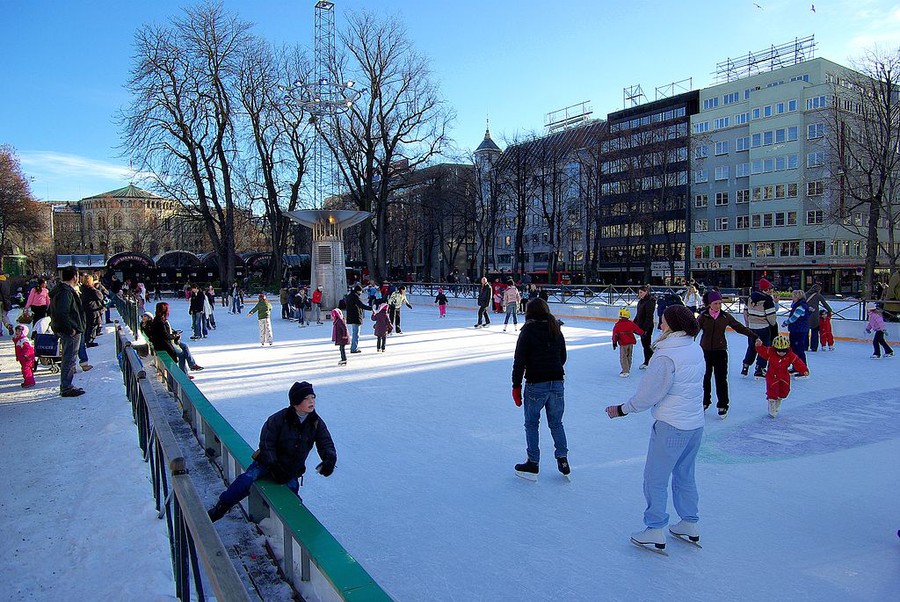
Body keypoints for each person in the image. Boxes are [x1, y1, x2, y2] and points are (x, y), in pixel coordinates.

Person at [605, 305, 705, 554]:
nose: (659, 325)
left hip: (672, 425)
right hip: (695, 424)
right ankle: (689, 523)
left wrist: (622, 409)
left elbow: (648, 395)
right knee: (685, 474)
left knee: (655, 478)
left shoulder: (666, 357)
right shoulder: (694, 347)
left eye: (662, 321)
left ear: (672, 325)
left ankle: (655, 529)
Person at [207, 381, 337, 522]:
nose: (312, 401)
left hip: (290, 470)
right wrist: (274, 466)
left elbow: (326, 443)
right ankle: (221, 507)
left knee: (293, 500)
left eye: (313, 397)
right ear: (296, 401)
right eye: (307, 398)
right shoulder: (279, 419)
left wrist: (329, 460)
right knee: (245, 480)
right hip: (266, 464)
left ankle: (292, 531)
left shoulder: (316, 423)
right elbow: (266, 443)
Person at [511, 298, 569, 481]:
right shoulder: (555, 329)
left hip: (536, 384)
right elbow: (563, 357)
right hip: (557, 383)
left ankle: (533, 463)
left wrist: (516, 386)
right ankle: (563, 459)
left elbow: (519, 361)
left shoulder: (527, 331)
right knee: (556, 424)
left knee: (531, 424)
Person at [698, 290, 758, 418]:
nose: (718, 306)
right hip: (705, 352)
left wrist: (754, 336)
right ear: (709, 304)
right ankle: (704, 401)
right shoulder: (703, 317)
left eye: (720, 303)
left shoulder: (725, 316)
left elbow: (739, 327)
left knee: (721, 379)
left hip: (720, 351)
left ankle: (723, 404)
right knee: (705, 378)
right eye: (715, 303)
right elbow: (694, 331)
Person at [48, 266, 86, 397]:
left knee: (68, 357)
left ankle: (67, 385)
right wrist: (70, 328)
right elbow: (62, 312)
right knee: (69, 358)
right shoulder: (65, 292)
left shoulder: (60, 290)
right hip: (70, 330)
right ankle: (66, 387)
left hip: (67, 328)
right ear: (74, 276)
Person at [754, 335, 809, 418]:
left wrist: (804, 370)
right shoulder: (770, 352)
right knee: (772, 390)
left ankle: (779, 399)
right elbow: (762, 351)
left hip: (784, 375)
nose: (781, 353)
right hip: (772, 375)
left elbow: (798, 362)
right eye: (779, 351)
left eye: (784, 351)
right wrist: (758, 346)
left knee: (785, 390)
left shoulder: (790, 355)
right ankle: (772, 402)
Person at [145, 306, 204, 377]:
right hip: (165, 344)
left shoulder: (161, 320)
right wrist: (175, 336)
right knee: (182, 354)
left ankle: (191, 365)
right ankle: (185, 372)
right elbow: (165, 336)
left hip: (168, 341)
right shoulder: (159, 321)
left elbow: (166, 332)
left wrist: (175, 334)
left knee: (185, 346)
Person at [741, 278, 778, 378]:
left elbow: (745, 312)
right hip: (763, 328)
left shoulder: (750, 298)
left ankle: (745, 365)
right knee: (764, 348)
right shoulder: (767, 299)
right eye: (769, 289)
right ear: (765, 290)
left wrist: (748, 324)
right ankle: (760, 368)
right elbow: (771, 317)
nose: (771, 291)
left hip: (752, 328)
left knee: (752, 347)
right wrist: (773, 323)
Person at [612, 307, 644, 378]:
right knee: (629, 356)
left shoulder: (618, 325)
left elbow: (615, 334)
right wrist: (643, 333)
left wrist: (614, 342)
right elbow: (637, 330)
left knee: (623, 357)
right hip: (631, 343)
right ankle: (627, 368)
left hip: (623, 343)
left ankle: (625, 371)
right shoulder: (630, 323)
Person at [782, 290, 811, 365]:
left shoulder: (800, 306)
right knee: (795, 349)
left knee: (799, 350)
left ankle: (802, 368)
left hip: (798, 330)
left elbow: (794, 318)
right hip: (797, 329)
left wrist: (785, 323)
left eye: (793, 296)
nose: (792, 298)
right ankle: (796, 367)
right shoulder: (798, 305)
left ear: (797, 297)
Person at [804, 283, 832, 352]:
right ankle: (814, 347)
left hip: (806, 315)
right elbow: (825, 304)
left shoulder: (805, 295)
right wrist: (829, 311)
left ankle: (805, 346)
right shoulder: (818, 296)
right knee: (815, 332)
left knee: (805, 332)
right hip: (815, 316)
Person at [344, 284, 372, 353]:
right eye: (360, 291)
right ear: (358, 291)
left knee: (354, 332)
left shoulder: (349, 296)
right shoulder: (355, 297)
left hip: (351, 316)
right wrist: (370, 308)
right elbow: (360, 305)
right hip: (355, 316)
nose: (361, 293)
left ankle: (354, 347)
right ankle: (354, 348)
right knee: (356, 333)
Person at [79, 274, 105, 348]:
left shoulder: (82, 289)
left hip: (86, 309)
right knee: (93, 325)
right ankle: (89, 341)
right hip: (92, 309)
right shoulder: (91, 289)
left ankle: (87, 340)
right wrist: (95, 288)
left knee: (88, 325)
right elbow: (100, 296)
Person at [634, 285, 656, 369]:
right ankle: (649, 361)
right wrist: (634, 324)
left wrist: (645, 329)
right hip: (641, 326)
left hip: (647, 327)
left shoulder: (650, 302)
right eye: (639, 292)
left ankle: (648, 361)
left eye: (641, 292)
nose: (639, 294)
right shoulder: (641, 301)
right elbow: (638, 314)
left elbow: (648, 317)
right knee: (645, 345)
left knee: (647, 345)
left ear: (646, 292)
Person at [13, 324, 36, 388]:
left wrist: (26, 355)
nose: (17, 333)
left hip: (27, 358)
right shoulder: (19, 340)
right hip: (23, 358)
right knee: (26, 369)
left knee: (26, 370)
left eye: (19, 331)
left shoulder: (24, 340)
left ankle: (29, 382)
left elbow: (28, 348)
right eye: (16, 331)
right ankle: (29, 381)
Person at [0, 271, 15, 336]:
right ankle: (8, 325)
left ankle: (0, 331)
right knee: (4, 315)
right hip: (6, 301)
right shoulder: (6, 281)